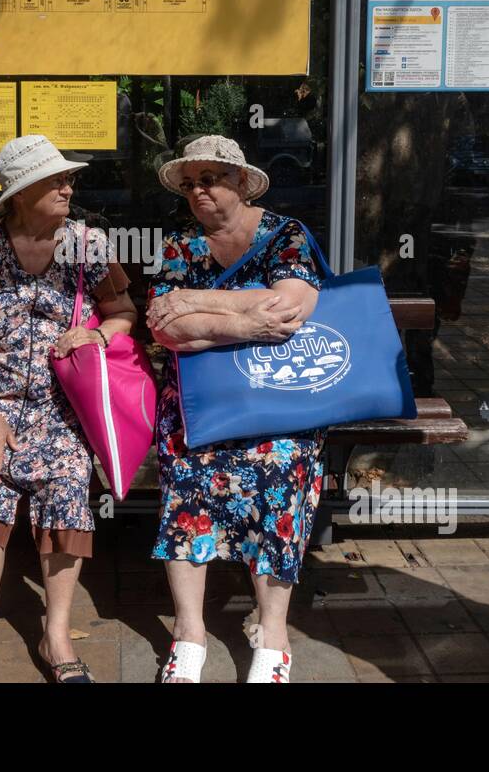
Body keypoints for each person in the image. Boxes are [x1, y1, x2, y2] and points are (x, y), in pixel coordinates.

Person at [0, 134, 136, 683]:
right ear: (21, 194)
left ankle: (55, 636)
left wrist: (95, 335)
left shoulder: (86, 244)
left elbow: (123, 313)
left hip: (61, 407)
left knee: (68, 489)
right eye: (55, 180)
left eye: (67, 178)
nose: (68, 186)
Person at [145, 135, 325, 684]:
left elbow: (292, 306)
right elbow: (163, 326)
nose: (199, 190)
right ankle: (189, 634)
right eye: (191, 182)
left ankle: (273, 636)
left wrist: (197, 304)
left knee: (280, 476)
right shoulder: (179, 241)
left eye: (211, 179)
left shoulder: (285, 234)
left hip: (279, 406)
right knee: (185, 492)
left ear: (242, 183)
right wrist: (249, 324)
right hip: (200, 406)